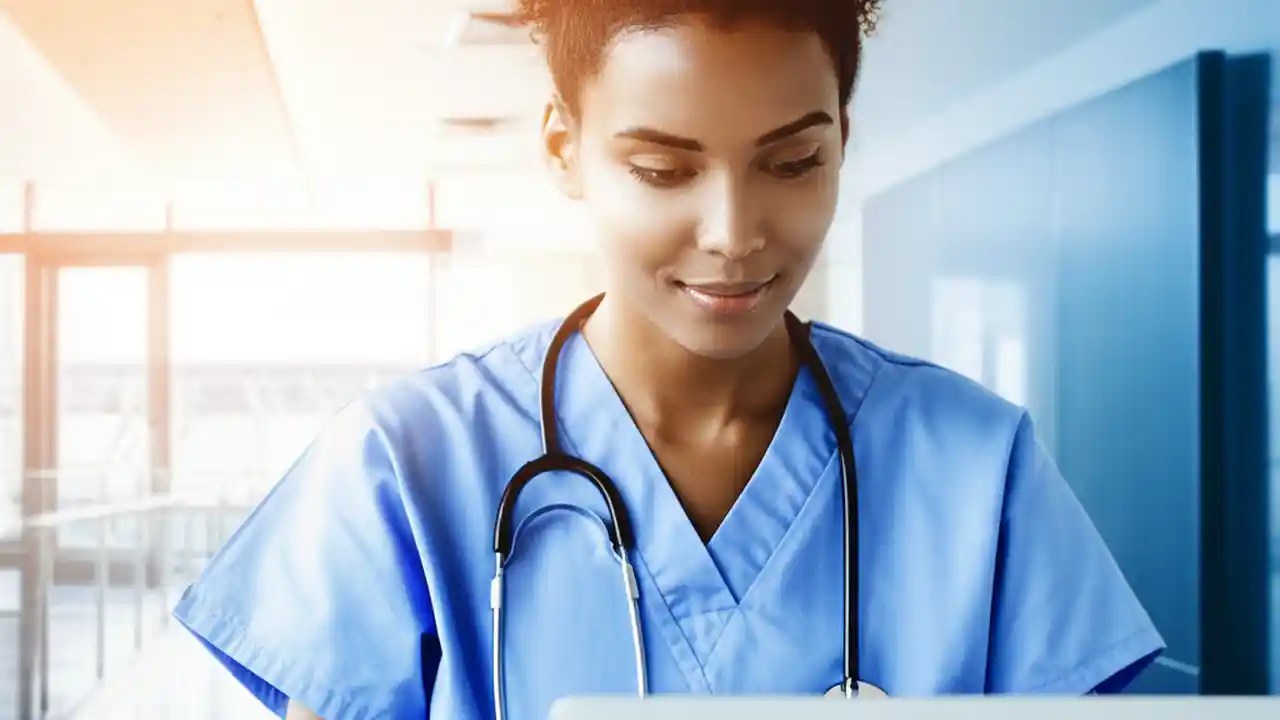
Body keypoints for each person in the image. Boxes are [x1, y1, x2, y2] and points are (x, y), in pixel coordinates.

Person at [172, 1, 1165, 718]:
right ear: (563, 149)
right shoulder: (406, 462)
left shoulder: (973, 462)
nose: (733, 233)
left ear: (842, 144)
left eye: (792, 163)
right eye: (661, 170)